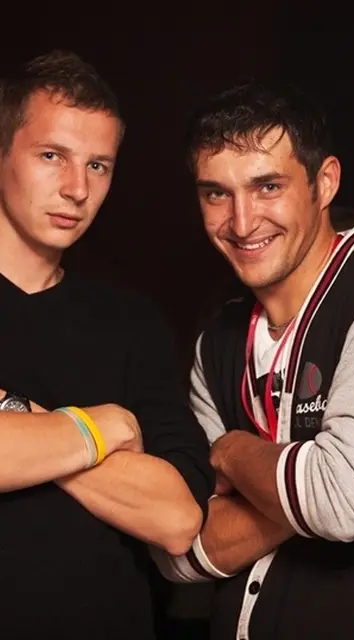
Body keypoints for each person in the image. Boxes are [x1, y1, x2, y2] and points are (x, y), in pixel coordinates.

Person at [152, 81, 354, 639]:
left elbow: (344, 499)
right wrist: (321, 489)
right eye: (216, 194)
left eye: (267, 186)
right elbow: (179, 550)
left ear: (324, 182)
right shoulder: (215, 343)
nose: (242, 222)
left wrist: (231, 451)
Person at [0, 51, 214, 639]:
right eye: (52, 156)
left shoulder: (132, 325)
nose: (77, 188)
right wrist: (101, 430)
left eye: (98, 165)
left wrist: (19, 421)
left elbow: (176, 518)